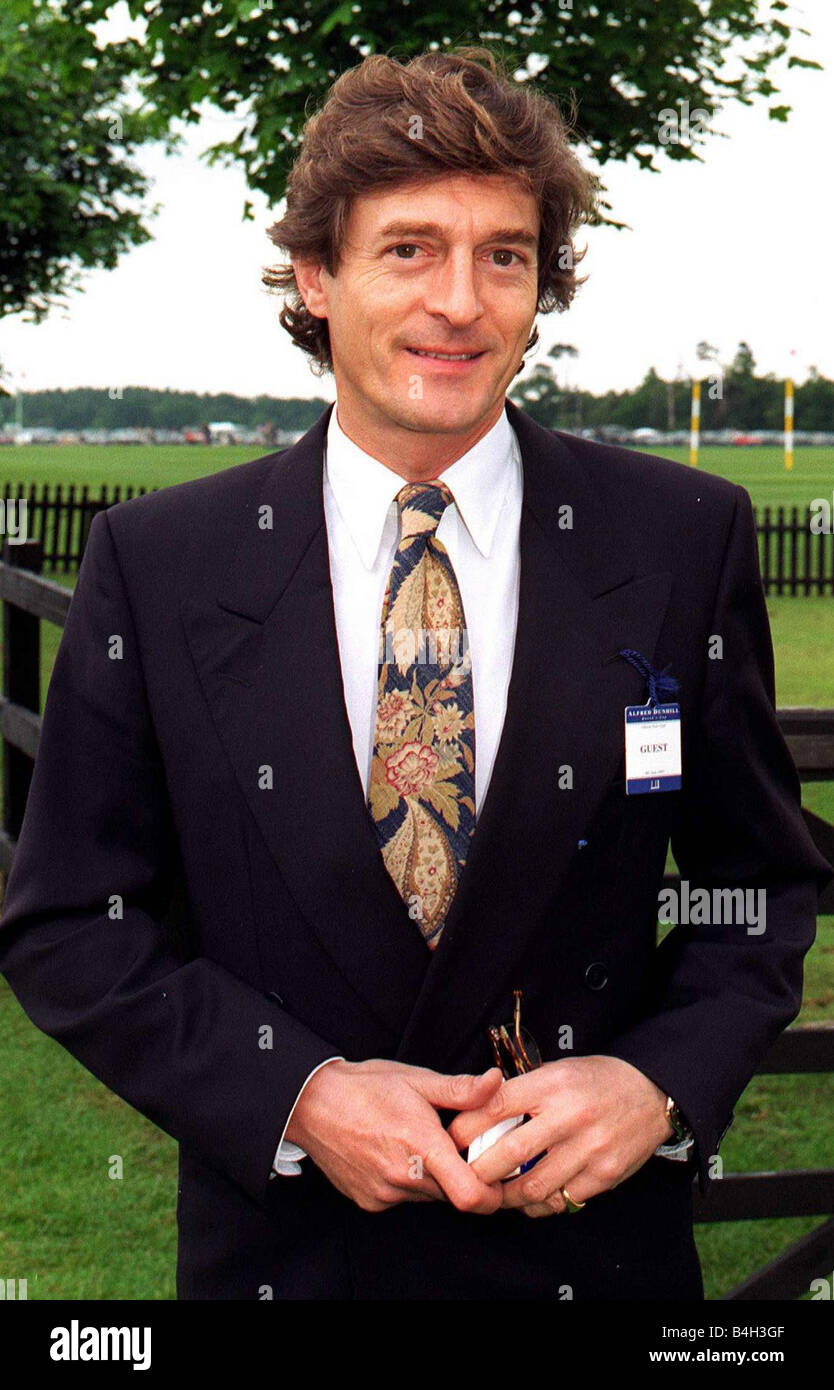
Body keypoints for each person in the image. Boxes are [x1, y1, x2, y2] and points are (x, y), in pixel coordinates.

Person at [0, 47, 830, 1302]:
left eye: (504, 254)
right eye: (409, 249)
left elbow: (757, 885)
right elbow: (72, 922)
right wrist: (297, 1093)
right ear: (317, 275)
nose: (462, 300)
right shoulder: (161, 564)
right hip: (287, 1266)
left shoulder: (675, 541)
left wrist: (653, 1079)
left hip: (591, 1262)